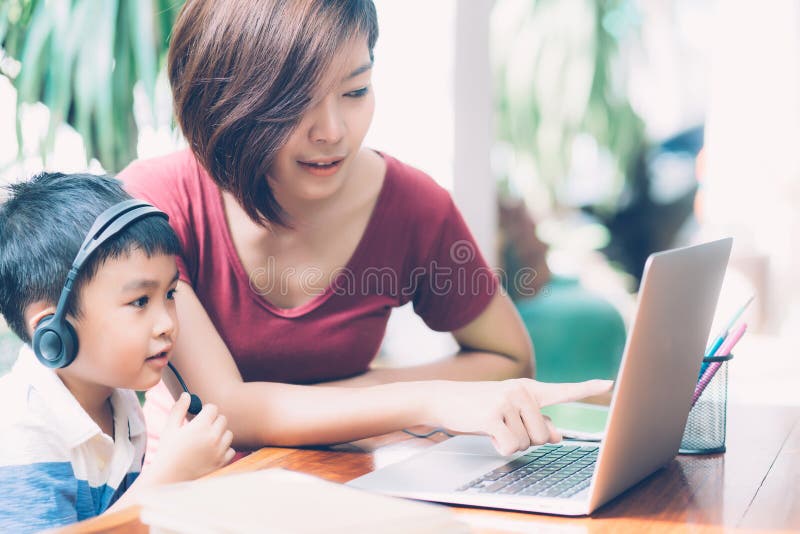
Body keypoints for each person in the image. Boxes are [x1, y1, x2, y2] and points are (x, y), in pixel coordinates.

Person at [121, 0, 612, 459]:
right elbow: (224, 411)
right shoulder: (155, 205)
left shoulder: (412, 205)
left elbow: (508, 359)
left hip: (345, 483)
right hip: (199, 491)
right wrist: (425, 399)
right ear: (226, 99)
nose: (333, 131)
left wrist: (352, 399)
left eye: (355, 91)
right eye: (297, 101)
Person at [0, 173, 235, 532]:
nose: (167, 324)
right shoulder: (24, 432)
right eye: (140, 301)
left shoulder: (120, 404)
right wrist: (169, 475)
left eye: (169, 294)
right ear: (53, 333)